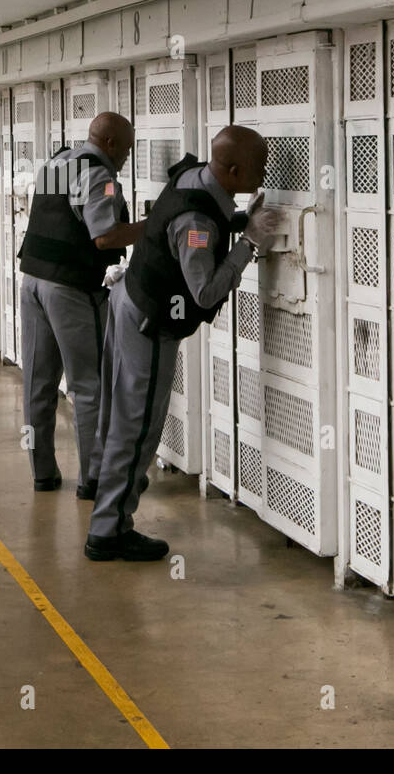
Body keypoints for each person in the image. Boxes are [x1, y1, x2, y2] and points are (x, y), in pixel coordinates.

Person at [85, 125, 280, 561]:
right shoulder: (196, 224)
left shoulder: (191, 176)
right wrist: (249, 242)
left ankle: (106, 508)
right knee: (137, 428)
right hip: (150, 323)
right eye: (258, 167)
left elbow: (200, 217)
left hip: (127, 299)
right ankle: (108, 531)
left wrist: (239, 219)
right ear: (231, 169)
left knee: (119, 415)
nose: (264, 173)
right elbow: (205, 291)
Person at [18, 112, 144, 497]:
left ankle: (43, 473)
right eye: (125, 149)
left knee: (38, 384)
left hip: (33, 282)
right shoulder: (99, 176)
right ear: (108, 143)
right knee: (88, 385)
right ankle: (94, 478)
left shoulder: (59, 161)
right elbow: (104, 237)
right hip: (70, 289)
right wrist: (156, 226)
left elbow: (56, 218)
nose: (126, 157)